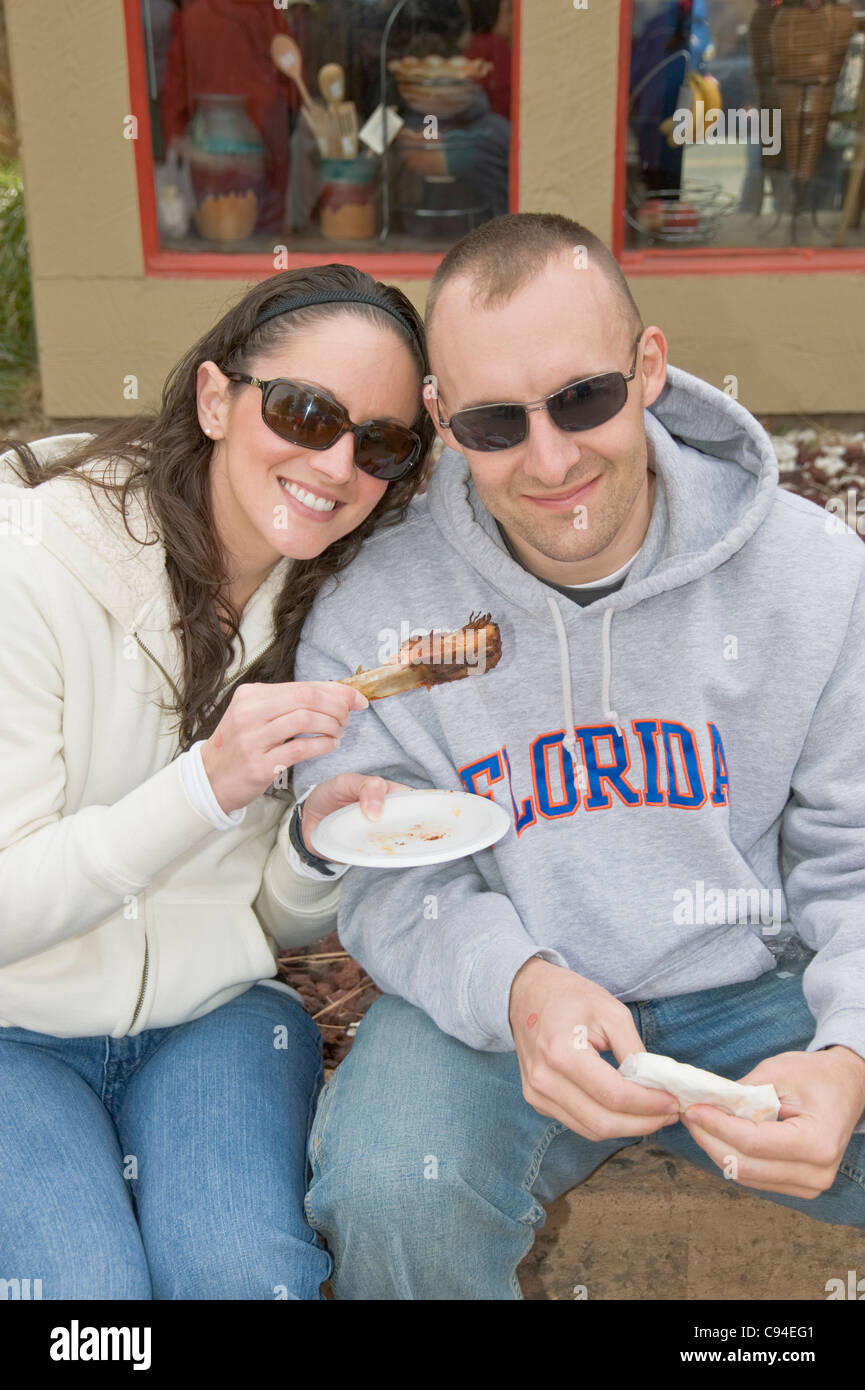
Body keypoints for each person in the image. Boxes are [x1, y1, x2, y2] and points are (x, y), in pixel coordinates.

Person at [291, 213, 865, 1300]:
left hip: (761, 991)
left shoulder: (817, 579)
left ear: (648, 368)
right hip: (500, 1004)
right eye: (497, 423)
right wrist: (519, 987)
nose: (550, 461)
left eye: (585, 399)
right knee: (390, 1190)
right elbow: (385, 872)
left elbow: (855, 856)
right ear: (441, 420)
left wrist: (848, 1056)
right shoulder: (378, 615)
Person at [0, 262, 434, 1300]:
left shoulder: (332, 609)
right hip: (13, 1030)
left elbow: (268, 922)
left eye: (378, 443)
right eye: (304, 412)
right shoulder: (34, 564)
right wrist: (205, 783)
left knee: (242, 1279)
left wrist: (311, 844)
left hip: (215, 1020)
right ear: (214, 398)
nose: (335, 464)